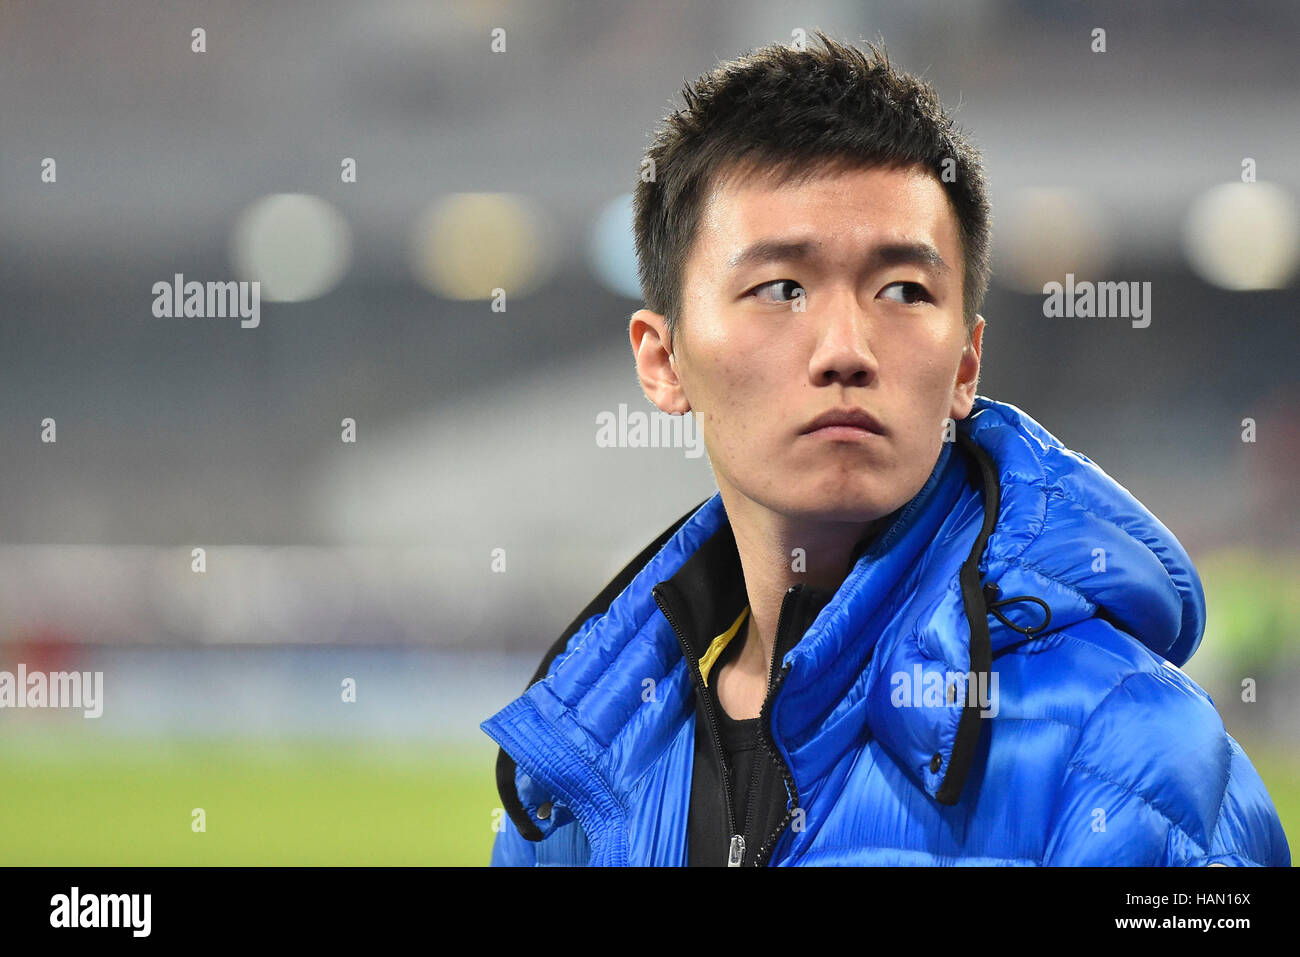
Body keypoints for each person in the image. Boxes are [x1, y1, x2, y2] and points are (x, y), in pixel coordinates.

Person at [480, 32, 1290, 866]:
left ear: (965, 365)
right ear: (663, 359)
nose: (845, 348)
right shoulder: (571, 774)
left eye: (903, 289)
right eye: (779, 289)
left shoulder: (1133, 756)